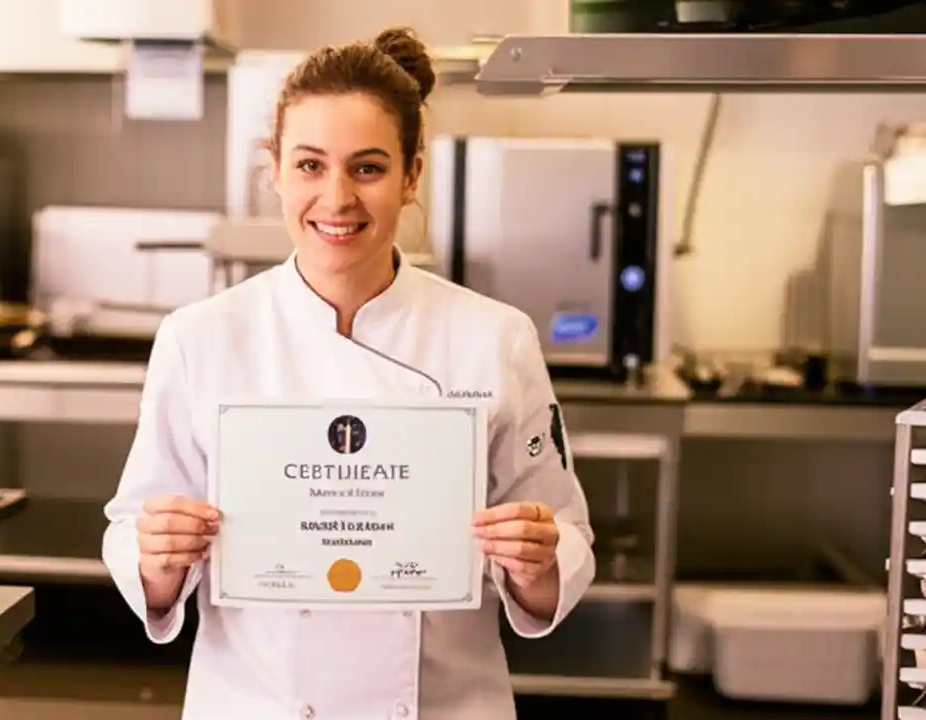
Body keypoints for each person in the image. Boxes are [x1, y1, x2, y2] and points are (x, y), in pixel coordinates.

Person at [103, 26, 595, 720]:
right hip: (257, 705)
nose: (336, 199)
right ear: (275, 170)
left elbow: (565, 540)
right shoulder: (200, 338)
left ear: (411, 175)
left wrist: (536, 560)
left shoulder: (494, 338)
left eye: (367, 169)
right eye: (310, 165)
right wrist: (158, 557)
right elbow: (134, 533)